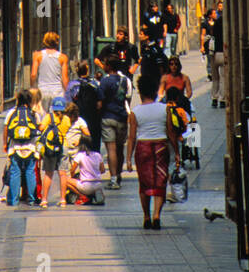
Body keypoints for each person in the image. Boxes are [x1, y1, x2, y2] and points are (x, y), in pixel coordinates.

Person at [127, 75, 178, 230]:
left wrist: (128, 159)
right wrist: (177, 152)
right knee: (160, 181)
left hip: (143, 148)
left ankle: (146, 216)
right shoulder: (165, 109)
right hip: (161, 147)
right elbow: (170, 132)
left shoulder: (135, 112)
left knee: (144, 183)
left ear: (141, 92)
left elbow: (132, 137)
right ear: (156, 91)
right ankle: (157, 215)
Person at [98, 54, 130, 189]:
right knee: (120, 148)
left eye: (104, 64)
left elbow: (100, 103)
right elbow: (127, 98)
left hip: (108, 117)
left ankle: (113, 179)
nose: (103, 66)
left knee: (111, 149)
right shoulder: (124, 80)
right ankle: (119, 174)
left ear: (109, 66)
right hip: (122, 117)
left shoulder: (104, 82)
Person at [3, 89, 40, 207]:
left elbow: (6, 129)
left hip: (15, 147)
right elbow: (39, 128)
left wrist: (5, 144)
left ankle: (14, 200)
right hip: (30, 147)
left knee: (15, 172)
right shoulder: (33, 114)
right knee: (30, 172)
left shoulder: (12, 113)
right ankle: (32, 199)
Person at [38, 99, 71, 208]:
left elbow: (41, 128)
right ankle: (63, 200)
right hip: (63, 146)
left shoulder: (49, 117)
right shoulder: (67, 119)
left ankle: (44, 200)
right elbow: (67, 129)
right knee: (62, 174)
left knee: (48, 174)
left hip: (50, 148)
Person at [64, 134, 108, 205]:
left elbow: (72, 170)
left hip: (86, 184)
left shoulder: (80, 155)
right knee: (94, 185)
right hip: (98, 183)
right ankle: (96, 193)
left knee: (65, 180)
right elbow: (103, 170)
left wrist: (74, 177)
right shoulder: (97, 155)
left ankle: (82, 196)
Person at [31, 32, 69, 111]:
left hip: (42, 90)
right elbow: (64, 78)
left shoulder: (38, 55)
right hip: (57, 90)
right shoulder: (63, 57)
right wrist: (67, 92)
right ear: (57, 42)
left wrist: (32, 88)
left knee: (42, 117)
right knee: (57, 117)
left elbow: (33, 75)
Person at [71, 62, 102, 153]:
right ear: (87, 71)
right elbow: (100, 103)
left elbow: (69, 102)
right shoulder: (94, 84)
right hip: (93, 118)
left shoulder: (72, 85)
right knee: (94, 141)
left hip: (78, 117)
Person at [210, 11, 226, 108]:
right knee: (223, 79)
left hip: (214, 53)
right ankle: (222, 99)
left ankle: (214, 98)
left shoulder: (216, 24)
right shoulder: (226, 23)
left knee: (215, 78)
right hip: (223, 53)